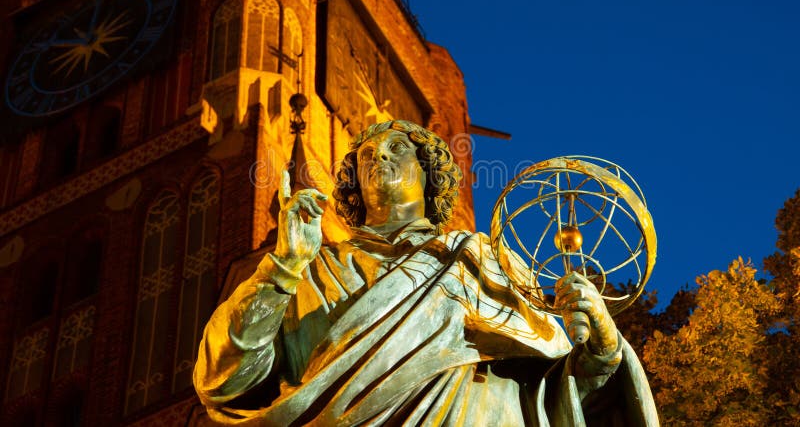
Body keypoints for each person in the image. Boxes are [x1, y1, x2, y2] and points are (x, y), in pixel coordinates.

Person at [194, 120, 658, 426]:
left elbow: (561, 394)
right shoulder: (309, 270)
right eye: (366, 154)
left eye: (398, 148)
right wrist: (284, 268)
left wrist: (601, 348)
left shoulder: (481, 258)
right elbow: (225, 382)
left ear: (428, 171)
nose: (379, 157)